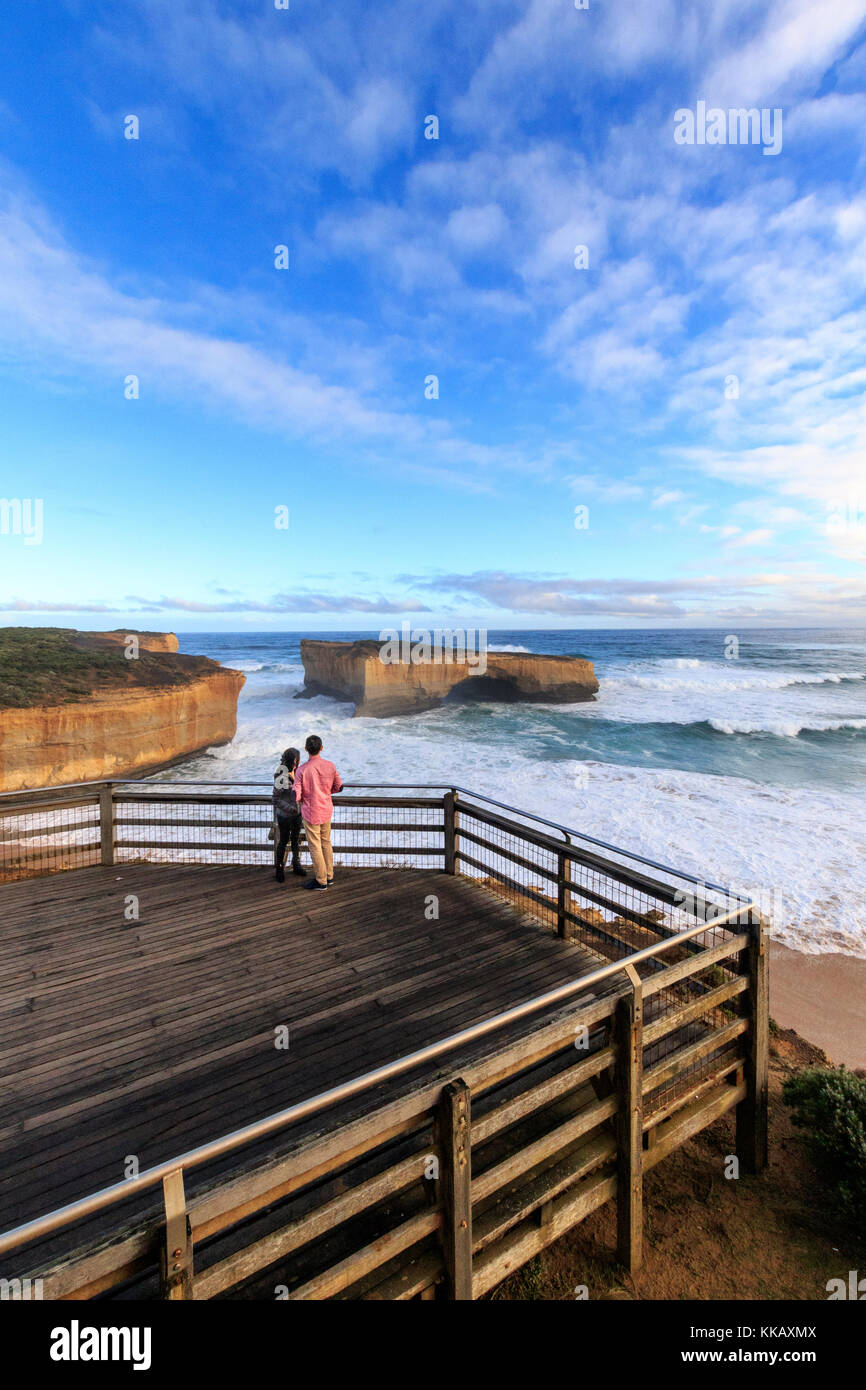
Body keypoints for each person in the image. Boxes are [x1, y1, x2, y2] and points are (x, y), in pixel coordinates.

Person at [293, 734, 343, 890]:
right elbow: (339, 787)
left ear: (307, 749)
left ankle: (321, 881)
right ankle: (329, 876)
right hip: (326, 809)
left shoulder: (301, 770)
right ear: (321, 748)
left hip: (311, 812)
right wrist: (325, 792)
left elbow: (297, 795)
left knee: (315, 846)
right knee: (326, 842)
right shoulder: (330, 766)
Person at [272, 747, 306, 883]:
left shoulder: (297, 772)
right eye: (297, 760)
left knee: (296, 839)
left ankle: (296, 864)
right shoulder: (281, 774)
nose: (299, 762)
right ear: (293, 760)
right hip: (285, 815)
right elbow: (275, 799)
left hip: (297, 814)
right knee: (283, 841)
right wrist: (290, 809)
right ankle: (279, 869)